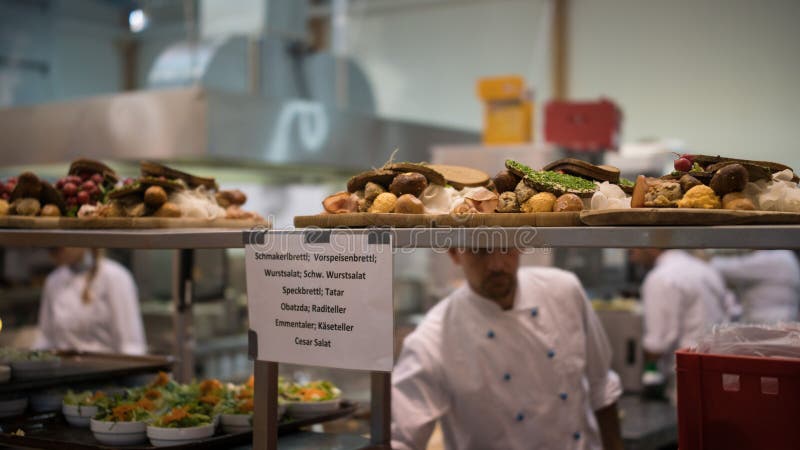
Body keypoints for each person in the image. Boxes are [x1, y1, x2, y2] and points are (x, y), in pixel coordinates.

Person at [392, 248, 623, 450]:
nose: (496, 265)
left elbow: (601, 386)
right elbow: (402, 438)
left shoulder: (564, 291)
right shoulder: (431, 338)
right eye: (480, 251)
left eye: (505, 248)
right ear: (454, 253)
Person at [629, 249, 735, 401]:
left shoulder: (660, 277)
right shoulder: (706, 269)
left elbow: (656, 343)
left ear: (652, 245)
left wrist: (646, 376)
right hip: (719, 367)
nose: (631, 257)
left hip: (687, 375)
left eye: (632, 250)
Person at [34, 248, 146, 355]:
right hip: (65, 368)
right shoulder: (54, 280)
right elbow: (46, 338)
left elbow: (131, 345)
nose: (55, 250)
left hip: (108, 368)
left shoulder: (115, 277)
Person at [711, 250, 800, 323]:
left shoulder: (773, 258)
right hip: (783, 319)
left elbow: (729, 269)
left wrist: (708, 259)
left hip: (768, 322)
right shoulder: (787, 256)